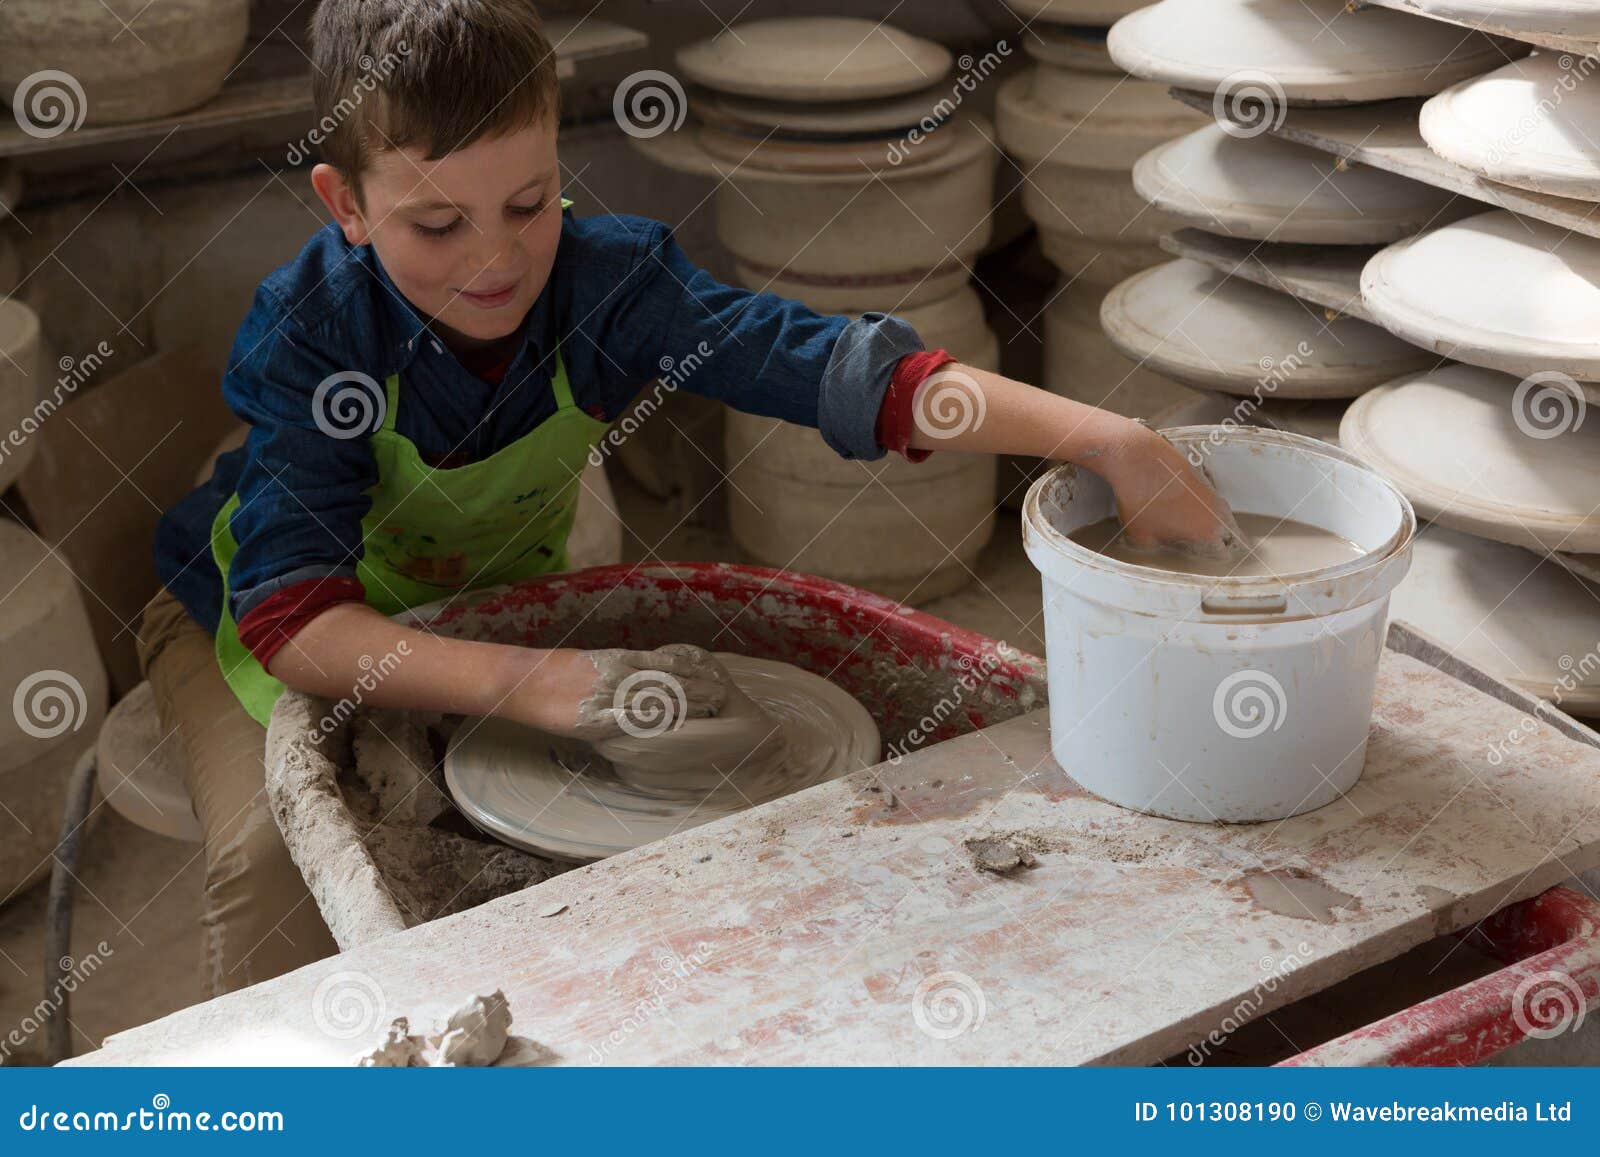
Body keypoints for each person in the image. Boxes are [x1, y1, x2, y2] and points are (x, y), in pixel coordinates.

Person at [141, 0, 1238, 996]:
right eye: (438, 225)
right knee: (278, 857)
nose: (496, 258)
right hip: (265, 622)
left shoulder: (606, 285)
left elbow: (838, 370)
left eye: (528, 203)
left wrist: (1109, 438)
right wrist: (533, 680)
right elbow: (294, 618)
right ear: (347, 204)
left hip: (494, 600)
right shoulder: (316, 333)